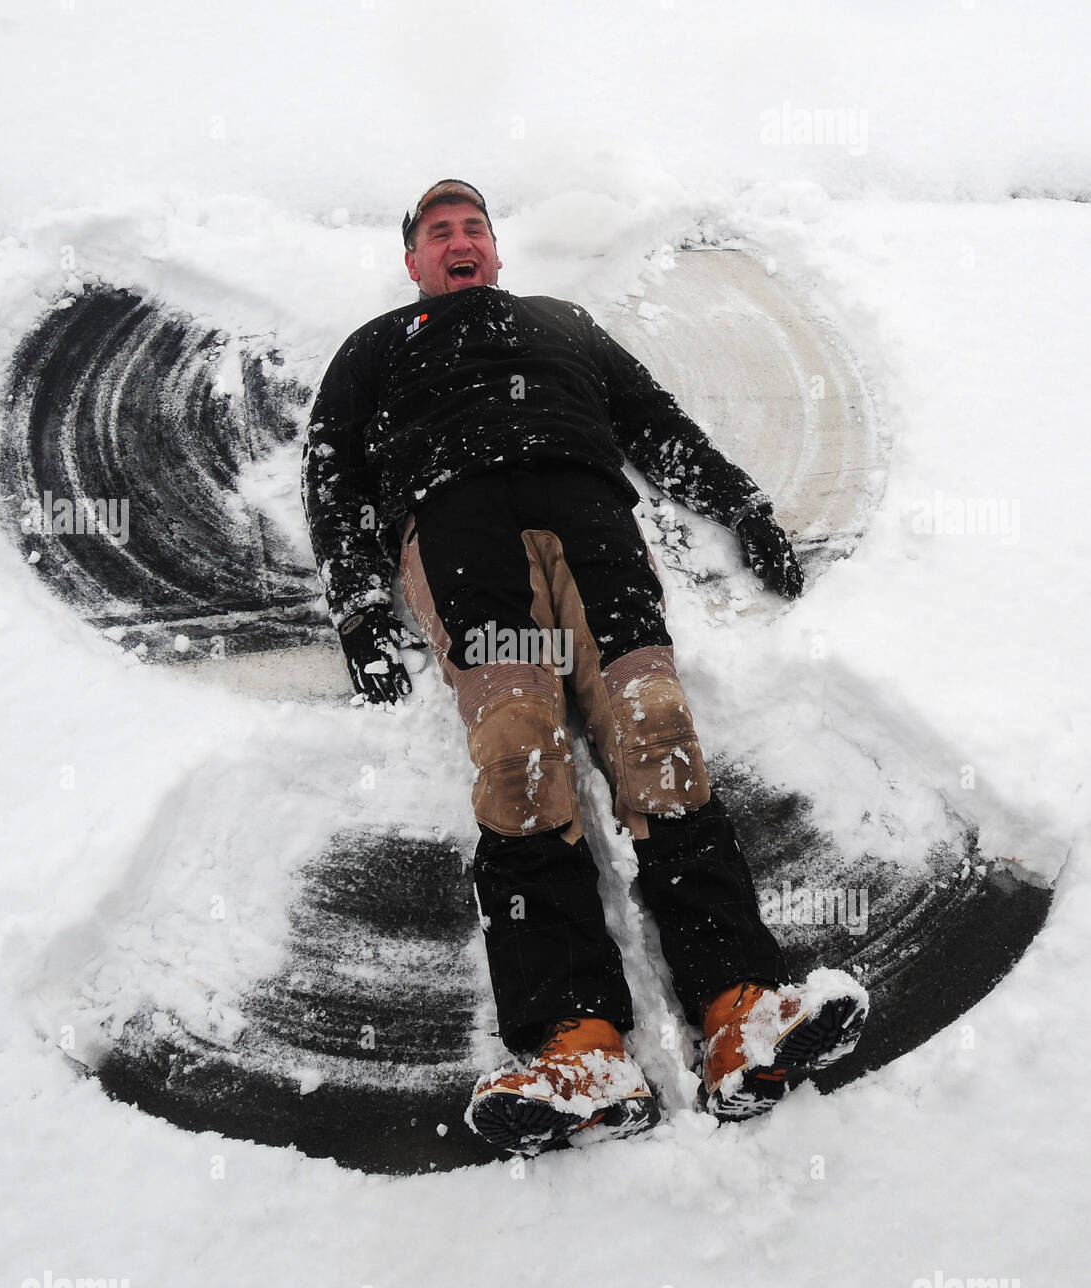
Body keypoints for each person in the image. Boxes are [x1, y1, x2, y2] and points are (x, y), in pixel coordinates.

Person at [301, 178, 867, 1157]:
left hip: (589, 512)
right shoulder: (375, 348)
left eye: (473, 226)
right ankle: (580, 1046)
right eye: (440, 232)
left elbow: (656, 425)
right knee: (520, 752)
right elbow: (331, 471)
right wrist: (356, 596)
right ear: (413, 262)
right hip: (458, 524)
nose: (460, 240)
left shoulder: (562, 324)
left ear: (495, 248)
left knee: (656, 731)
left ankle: (742, 1010)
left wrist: (741, 508)